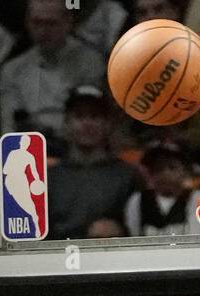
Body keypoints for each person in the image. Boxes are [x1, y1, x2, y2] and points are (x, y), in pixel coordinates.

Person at [0, 0, 107, 148]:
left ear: (68, 22)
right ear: (27, 23)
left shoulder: (91, 62)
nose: (43, 31)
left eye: (51, 24)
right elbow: (9, 127)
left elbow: (94, 117)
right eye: (37, 23)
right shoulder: (12, 70)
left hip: (78, 149)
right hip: (31, 148)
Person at [45, 87, 139, 240]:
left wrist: (119, 230)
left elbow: (140, 228)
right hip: (59, 257)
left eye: (95, 116)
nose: (87, 124)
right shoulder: (48, 178)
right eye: (80, 116)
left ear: (107, 124)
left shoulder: (128, 175)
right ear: (67, 123)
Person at [124, 141, 200, 239]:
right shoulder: (138, 200)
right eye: (159, 168)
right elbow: (134, 237)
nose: (165, 174)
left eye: (172, 167)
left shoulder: (197, 199)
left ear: (186, 170)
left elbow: (197, 238)